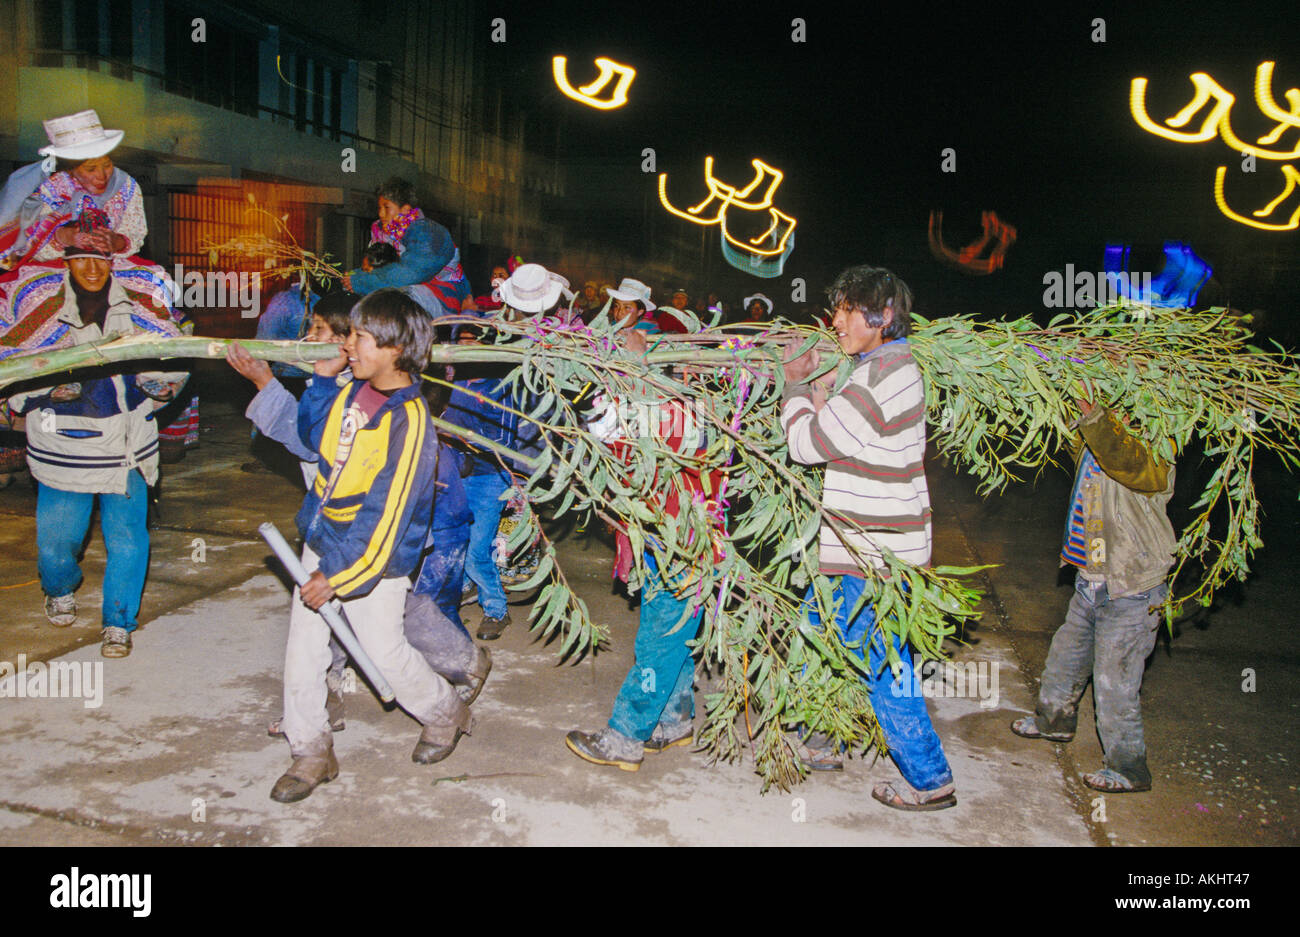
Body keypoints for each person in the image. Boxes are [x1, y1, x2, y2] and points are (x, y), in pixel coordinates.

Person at [272, 288, 470, 803]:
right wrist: (318, 381)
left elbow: (388, 518)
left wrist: (336, 578)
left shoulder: (411, 422)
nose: (349, 346)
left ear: (395, 351)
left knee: (383, 653)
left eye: (360, 337)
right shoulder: (350, 391)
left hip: (372, 559)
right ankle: (311, 748)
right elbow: (317, 441)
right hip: (325, 537)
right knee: (303, 649)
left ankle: (445, 710)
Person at [780, 264, 956, 811]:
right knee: (817, 638)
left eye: (846, 311)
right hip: (867, 546)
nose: (835, 320)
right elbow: (849, 428)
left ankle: (930, 778)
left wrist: (794, 384)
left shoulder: (881, 376)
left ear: (880, 318)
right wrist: (825, 387)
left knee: (884, 667)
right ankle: (823, 735)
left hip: (873, 554)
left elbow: (809, 445)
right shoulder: (882, 367)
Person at [5, 244, 187, 658]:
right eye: (80, 258)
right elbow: (12, 364)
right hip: (64, 446)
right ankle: (58, 588)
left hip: (127, 446)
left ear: (113, 262)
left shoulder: (139, 307)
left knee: (127, 539)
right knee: (57, 544)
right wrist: (48, 390)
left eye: (100, 259)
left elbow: (174, 353)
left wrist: (158, 385)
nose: (92, 268)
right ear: (65, 262)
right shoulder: (41, 311)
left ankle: (118, 622)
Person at [564, 309, 724, 770]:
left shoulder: (690, 410)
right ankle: (674, 719)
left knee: (658, 643)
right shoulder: (660, 402)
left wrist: (636, 370)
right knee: (671, 636)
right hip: (664, 540)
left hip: (684, 547)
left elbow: (646, 435)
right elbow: (604, 432)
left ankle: (625, 737)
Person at [1010, 399, 1176, 794]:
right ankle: (1055, 721)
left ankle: (1129, 766)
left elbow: (1129, 464)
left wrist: (1095, 419)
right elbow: (1081, 445)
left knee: (1115, 682)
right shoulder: (1100, 435)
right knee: (1066, 656)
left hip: (1132, 585)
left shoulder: (1156, 444)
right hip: (1093, 578)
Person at [0, 110, 144, 269]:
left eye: (107, 165)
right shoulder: (46, 190)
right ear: (70, 170)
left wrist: (116, 242)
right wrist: (63, 237)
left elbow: (135, 234)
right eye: (91, 169)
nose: (102, 176)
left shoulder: (126, 185)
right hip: (51, 269)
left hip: (109, 267)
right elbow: (22, 247)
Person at [342, 178, 468, 316]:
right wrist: (353, 278)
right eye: (379, 208)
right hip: (397, 290)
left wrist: (361, 281)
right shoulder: (382, 233)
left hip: (442, 296)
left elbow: (410, 274)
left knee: (401, 300)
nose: (381, 214)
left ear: (405, 209)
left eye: (387, 207)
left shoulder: (429, 232)